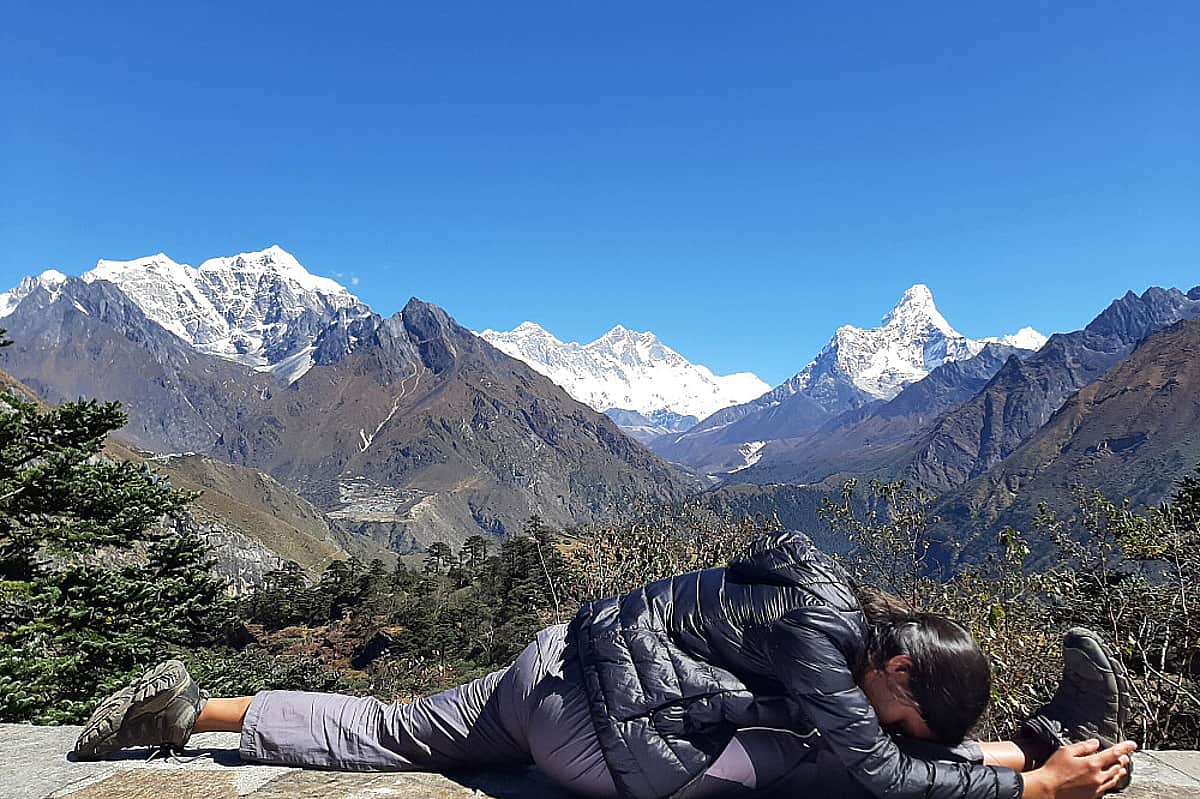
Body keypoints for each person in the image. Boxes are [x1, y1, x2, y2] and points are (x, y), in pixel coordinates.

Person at [74, 531, 1136, 798]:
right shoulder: (830, 656)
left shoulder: (820, 588)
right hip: (607, 748)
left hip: (546, 669)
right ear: (901, 672)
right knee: (837, 775)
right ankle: (1039, 744)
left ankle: (189, 710)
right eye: (912, 714)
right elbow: (883, 773)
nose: (895, 724)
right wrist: (1034, 785)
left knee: (390, 726)